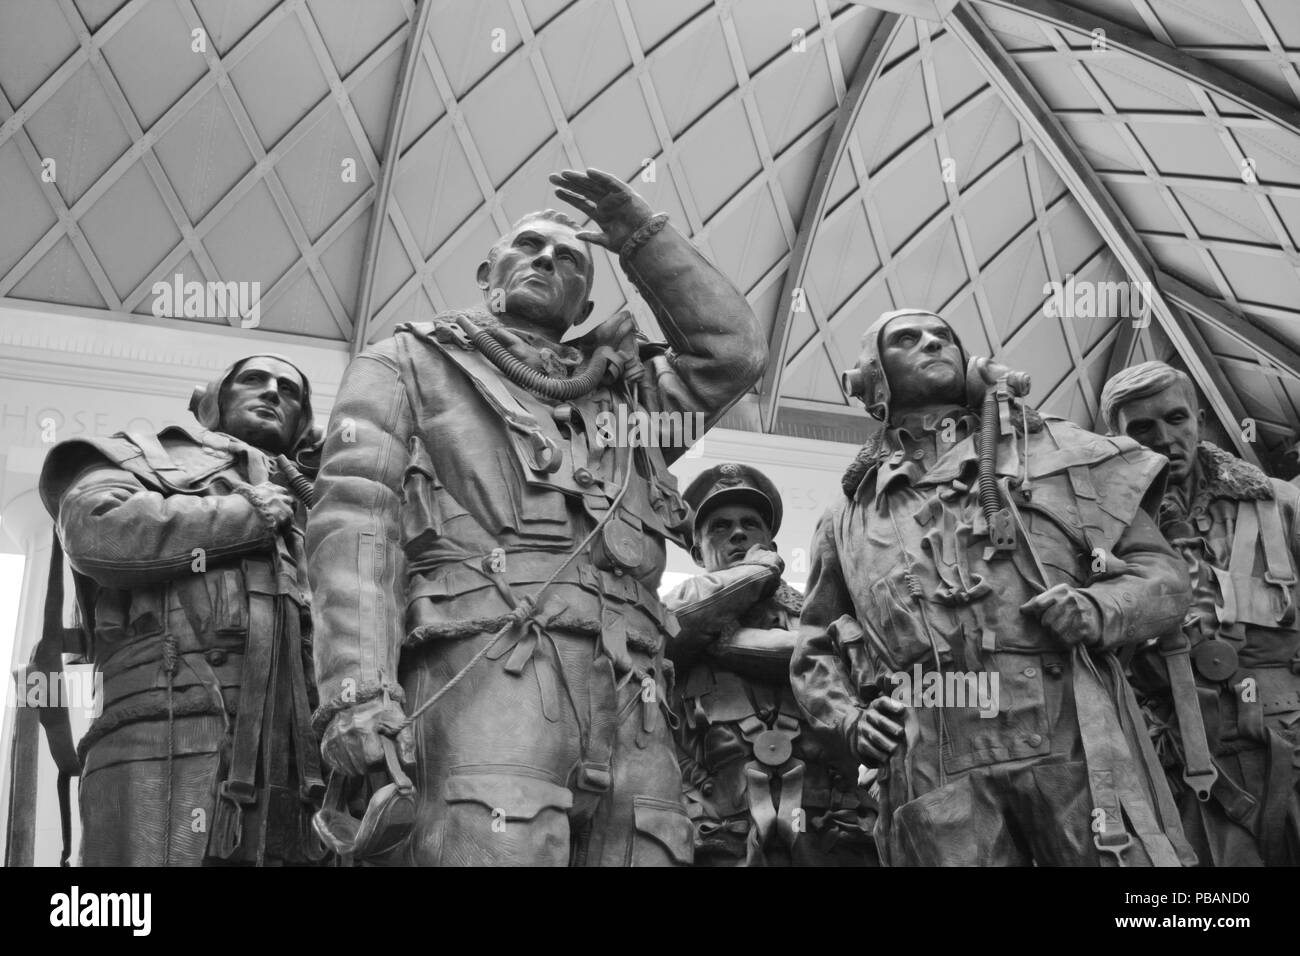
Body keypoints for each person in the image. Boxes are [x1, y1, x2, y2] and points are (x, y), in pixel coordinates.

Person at [306, 168, 765, 866]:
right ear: (490, 271)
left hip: (634, 690)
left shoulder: (626, 405)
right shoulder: (409, 362)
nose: (548, 260)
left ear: (584, 303)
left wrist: (643, 241)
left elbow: (732, 355)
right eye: (529, 247)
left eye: (571, 260)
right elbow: (355, 517)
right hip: (485, 664)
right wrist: (355, 690)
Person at [791, 308, 1196, 866]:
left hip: (1069, 730)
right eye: (908, 339)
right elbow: (813, 645)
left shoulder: (1058, 454)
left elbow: (1166, 577)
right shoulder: (844, 518)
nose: (933, 343)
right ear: (871, 374)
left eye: (944, 337)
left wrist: (1100, 608)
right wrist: (850, 720)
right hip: (929, 751)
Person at [38, 355, 324, 866]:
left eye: (290, 390)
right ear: (214, 400)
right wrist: (244, 515)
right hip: (165, 731)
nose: (273, 391)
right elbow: (96, 528)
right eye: (253, 380)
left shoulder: (324, 504)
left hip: (302, 762)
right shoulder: (140, 456)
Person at [1102, 360, 1300, 865]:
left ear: (1201, 420)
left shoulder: (1282, 506)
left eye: (1176, 418)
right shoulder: (1097, 535)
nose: (1164, 438)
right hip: (1183, 765)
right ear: (1115, 438)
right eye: (1141, 428)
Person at [665, 463, 877, 866]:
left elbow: (838, 655)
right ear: (697, 552)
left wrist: (732, 645)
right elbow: (670, 633)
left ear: (771, 541)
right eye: (720, 527)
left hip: (831, 828)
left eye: (751, 524)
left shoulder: (814, 611)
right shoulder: (680, 604)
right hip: (716, 832)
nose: (739, 533)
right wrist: (756, 572)